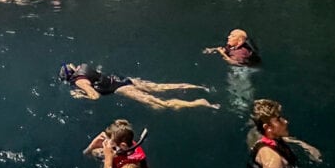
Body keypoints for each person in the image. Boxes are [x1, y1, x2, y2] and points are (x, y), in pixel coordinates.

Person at [248, 98, 333, 168]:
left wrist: (304, 145)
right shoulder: (273, 160)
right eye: (278, 120)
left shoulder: (260, 136)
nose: (285, 121)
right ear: (268, 128)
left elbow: (282, 138)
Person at [59, 63, 218, 110]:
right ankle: (197, 87)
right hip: (122, 79)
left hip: (120, 88)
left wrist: (81, 95)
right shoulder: (83, 67)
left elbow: (95, 96)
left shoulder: (79, 81)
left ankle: (199, 102)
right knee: (160, 87)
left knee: (161, 103)